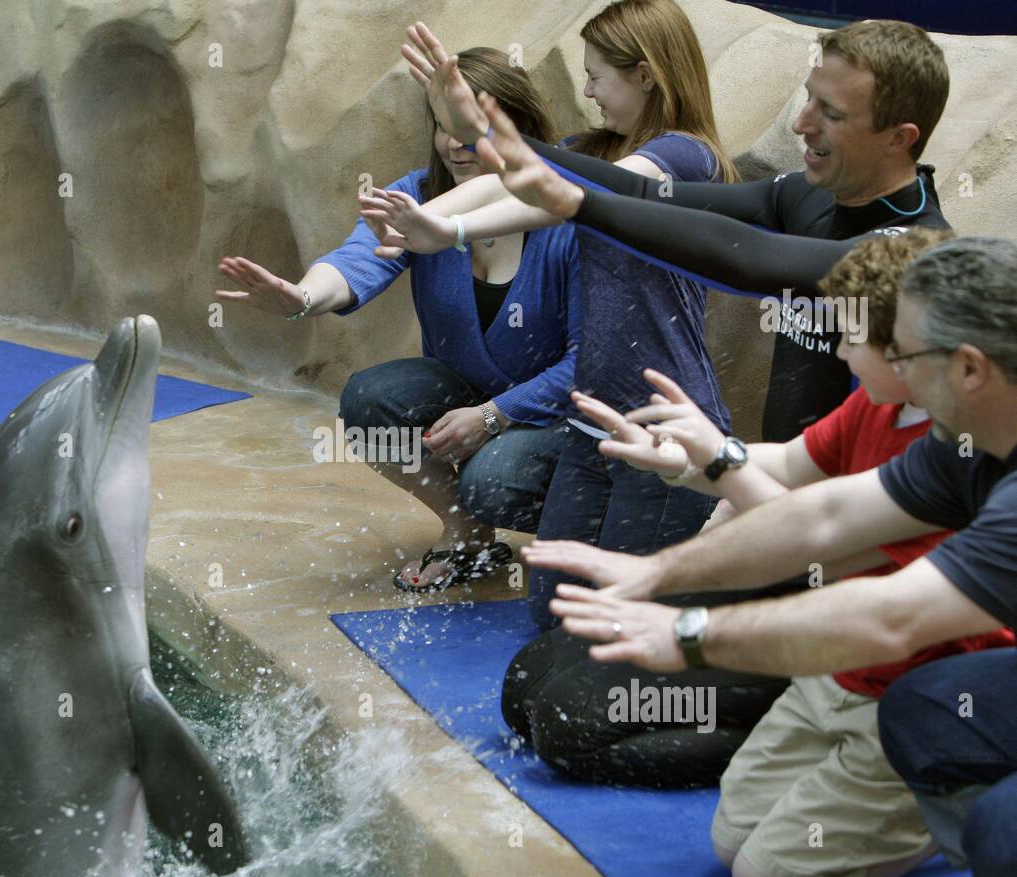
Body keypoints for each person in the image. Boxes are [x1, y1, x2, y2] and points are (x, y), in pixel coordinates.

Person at [521, 237, 1017, 877]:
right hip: (859, 674)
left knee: (986, 834)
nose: (863, 353)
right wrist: (657, 570)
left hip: (914, 658)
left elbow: (890, 610)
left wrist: (688, 635)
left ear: (971, 370)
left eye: (902, 348)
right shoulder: (958, 442)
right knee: (734, 837)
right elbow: (826, 515)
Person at [398, 17, 951, 442]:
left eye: (829, 111)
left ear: (899, 138)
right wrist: (490, 136)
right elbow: (641, 193)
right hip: (799, 480)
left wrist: (573, 204)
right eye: (807, 98)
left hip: (875, 520)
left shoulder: (913, 253)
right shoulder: (802, 194)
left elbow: (744, 260)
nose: (801, 123)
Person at [366, 0, 739, 628]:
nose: (587, 91)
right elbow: (516, 178)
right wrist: (440, 216)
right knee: (552, 614)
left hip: (664, 428)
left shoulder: (684, 157)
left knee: (618, 624)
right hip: (596, 428)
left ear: (646, 74)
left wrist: (452, 225)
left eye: (597, 76)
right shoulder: (598, 149)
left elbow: (567, 197)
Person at [217, 49, 583, 593]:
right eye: (442, 125)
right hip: (474, 392)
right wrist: (301, 297)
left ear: (517, 130)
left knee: (495, 480)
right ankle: (468, 536)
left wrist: (494, 415)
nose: (454, 142)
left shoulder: (563, 214)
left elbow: (590, 360)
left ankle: (587, 543)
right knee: (370, 400)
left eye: (472, 127)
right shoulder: (418, 197)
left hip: (560, 412)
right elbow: (357, 259)